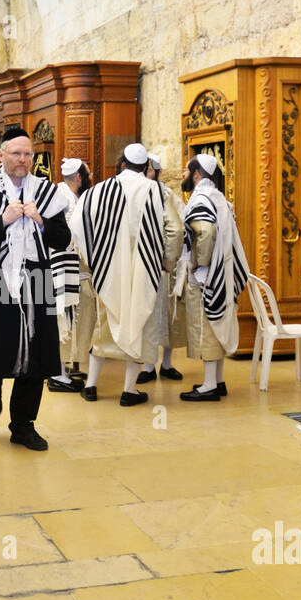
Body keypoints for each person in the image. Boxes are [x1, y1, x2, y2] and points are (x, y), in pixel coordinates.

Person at [0, 125, 71, 450]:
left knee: (36, 353)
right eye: (16, 153)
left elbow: (63, 240)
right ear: (1, 155)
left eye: (27, 154)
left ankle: (23, 425)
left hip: (36, 281)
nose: (22, 159)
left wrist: (42, 222)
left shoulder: (48, 194)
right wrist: (1, 221)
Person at [69, 143, 181, 407]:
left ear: (121, 165)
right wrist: (167, 262)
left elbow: (77, 224)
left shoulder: (98, 191)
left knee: (104, 326)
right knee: (140, 324)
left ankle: (91, 386)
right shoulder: (157, 191)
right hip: (145, 270)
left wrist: (92, 259)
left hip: (108, 270)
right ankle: (129, 391)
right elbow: (175, 230)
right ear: (145, 168)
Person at [176, 153, 251, 401]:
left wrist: (200, 262)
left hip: (205, 276)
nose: (183, 175)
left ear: (197, 174)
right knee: (216, 324)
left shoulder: (200, 199)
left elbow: (206, 232)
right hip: (222, 273)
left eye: (187, 171)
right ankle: (217, 381)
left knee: (205, 327)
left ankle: (208, 386)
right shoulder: (217, 197)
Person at [136, 152, 187, 385]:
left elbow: (179, 226)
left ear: (158, 172)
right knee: (146, 314)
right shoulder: (138, 194)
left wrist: (169, 260)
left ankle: (166, 363)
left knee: (167, 315)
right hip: (142, 265)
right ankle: (148, 364)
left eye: (149, 170)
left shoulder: (167, 195)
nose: (146, 174)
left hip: (165, 265)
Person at [47, 158, 92, 393]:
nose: (91, 177)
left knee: (69, 319)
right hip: (62, 268)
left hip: (70, 269)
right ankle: (57, 374)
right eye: (88, 174)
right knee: (61, 319)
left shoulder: (68, 196)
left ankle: (63, 369)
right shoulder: (62, 200)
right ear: (78, 178)